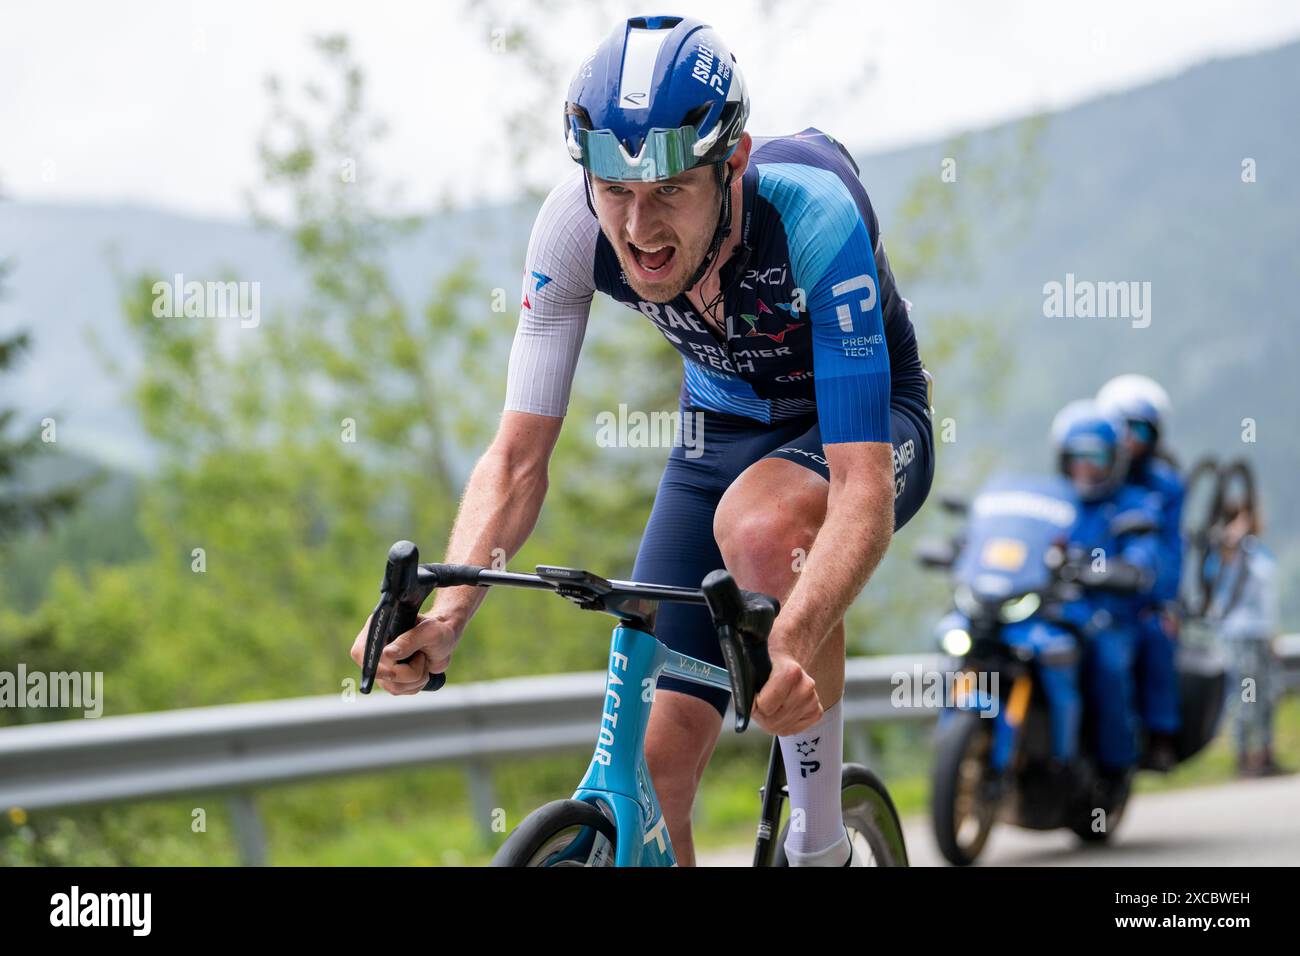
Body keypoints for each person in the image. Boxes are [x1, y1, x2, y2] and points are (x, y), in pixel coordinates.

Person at [351, 15, 934, 866]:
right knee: (654, 785)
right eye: (615, 191)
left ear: (731, 165)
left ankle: (819, 842)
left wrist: (792, 640)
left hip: (865, 428)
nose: (638, 228)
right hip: (719, 435)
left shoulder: (812, 213)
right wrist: (445, 619)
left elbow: (860, 490)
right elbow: (516, 460)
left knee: (763, 528)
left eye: (668, 191)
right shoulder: (571, 228)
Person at [1050, 401, 1163, 790]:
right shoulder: (1054, 502)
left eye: (1095, 455)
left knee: (1108, 663)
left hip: (1109, 616)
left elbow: (1142, 560)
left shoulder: (1133, 505)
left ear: (1114, 459)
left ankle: (1116, 764)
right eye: (1075, 455)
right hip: (1057, 611)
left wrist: (1117, 572)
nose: (1085, 465)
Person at [1097, 374, 1184, 771]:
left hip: (1139, 592)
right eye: (1125, 426)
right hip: (1094, 589)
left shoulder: (1163, 486)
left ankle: (1159, 733)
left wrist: (1160, 597)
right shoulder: (1092, 471)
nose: (1133, 437)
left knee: (1155, 635)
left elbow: (1168, 549)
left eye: (1143, 429)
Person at [1205, 500, 1284, 777]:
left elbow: (1267, 598)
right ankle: (1244, 758)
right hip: (1238, 634)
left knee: (1267, 695)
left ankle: (1265, 754)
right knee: (1246, 695)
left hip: (1261, 633)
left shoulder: (1259, 552)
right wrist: (1232, 535)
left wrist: (1272, 635)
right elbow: (1219, 569)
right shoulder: (1228, 551)